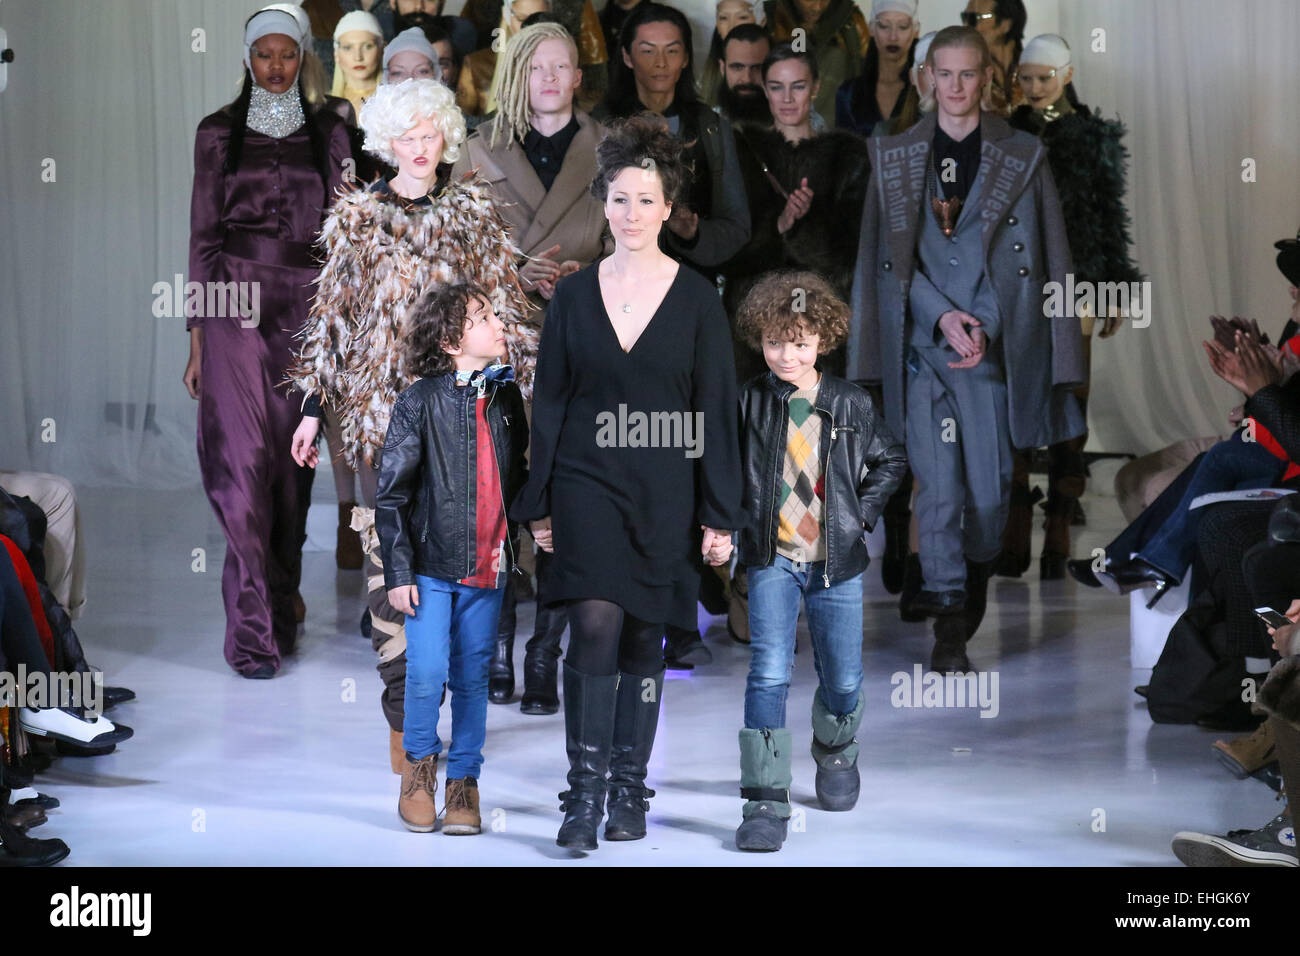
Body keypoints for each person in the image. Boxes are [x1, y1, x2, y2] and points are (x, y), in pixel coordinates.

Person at [287, 78, 537, 772]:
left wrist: (530, 396)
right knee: (389, 561)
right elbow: (331, 320)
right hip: (378, 416)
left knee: (468, 555)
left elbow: (505, 313)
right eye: (408, 135)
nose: (421, 147)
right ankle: (405, 719)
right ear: (386, 142)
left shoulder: (473, 216)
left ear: (447, 138)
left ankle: (454, 710)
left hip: (466, 414)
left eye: (432, 134)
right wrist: (312, 408)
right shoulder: (358, 218)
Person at [509, 115, 745, 849]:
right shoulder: (574, 300)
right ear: (601, 203)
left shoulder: (701, 299)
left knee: (646, 640)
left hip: (666, 488)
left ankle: (629, 792)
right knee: (594, 626)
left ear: (670, 208)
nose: (632, 214)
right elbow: (548, 405)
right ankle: (582, 797)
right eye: (619, 199)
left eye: (647, 200)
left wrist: (720, 513)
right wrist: (538, 499)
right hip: (585, 481)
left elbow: (716, 412)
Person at [847, 25, 1084, 673]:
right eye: (942, 74)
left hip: (991, 350)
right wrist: (940, 317)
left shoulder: (1024, 153)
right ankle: (951, 619)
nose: (954, 87)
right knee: (938, 489)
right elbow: (884, 262)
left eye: (967, 74)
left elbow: (1042, 257)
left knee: (987, 496)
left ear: (987, 79)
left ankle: (969, 579)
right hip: (921, 347)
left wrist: (980, 322)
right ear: (926, 78)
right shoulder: (892, 155)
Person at [184, 5, 352, 678]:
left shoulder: (332, 134)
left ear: (304, 58)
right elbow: (202, 236)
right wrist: (197, 336)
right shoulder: (216, 134)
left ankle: (281, 599)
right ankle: (250, 629)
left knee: (291, 469)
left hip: (306, 306)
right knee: (241, 466)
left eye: (287, 55)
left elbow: (344, 238)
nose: (275, 67)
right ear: (247, 60)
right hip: (232, 306)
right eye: (264, 56)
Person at [451, 22, 609, 712]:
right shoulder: (478, 150)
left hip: (583, 341)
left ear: (579, 75)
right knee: (498, 495)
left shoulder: (610, 149)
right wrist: (515, 273)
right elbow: (456, 250)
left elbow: (634, 238)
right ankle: (497, 648)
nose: (549, 78)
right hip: (499, 345)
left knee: (563, 498)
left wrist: (587, 274)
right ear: (516, 75)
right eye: (536, 66)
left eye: (562, 66)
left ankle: (545, 655)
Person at [731, 271, 906, 852]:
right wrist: (726, 528)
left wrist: (861, 516)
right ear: (760, 338)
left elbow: (890, 462)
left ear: (824, 342)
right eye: (776, 341)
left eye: (801, 342)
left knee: (844, 675)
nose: (787, 354)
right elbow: (728, 472)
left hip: (837, 562)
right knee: (769, 671)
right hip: (772, 557)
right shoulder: (749, 400)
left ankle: (835, 753)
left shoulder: (851, 402)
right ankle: (764, 796)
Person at [374, 285, 529, 834]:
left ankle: (464, 781)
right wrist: (397, 572)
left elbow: (518, 476)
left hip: (488, 569)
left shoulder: (506, 398)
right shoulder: (419, 400)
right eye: (482, 317)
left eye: (493, 313)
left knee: (471, 677)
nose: (496, 323)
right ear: (448, 340)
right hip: (430, 568)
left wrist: (539, 521)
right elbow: (391, 494)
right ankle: (418, 771)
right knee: (428, 673)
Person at [724, 42, 871, 383]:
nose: (787, 98)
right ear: (764, 89)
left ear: (816, 87)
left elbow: (852, 254)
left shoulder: (848, 156)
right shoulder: (742, 151)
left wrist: (804, 227)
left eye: (798, 86)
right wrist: (780, 225)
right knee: (754, 424)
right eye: (777, 87)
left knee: (818, 426)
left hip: (821, 329)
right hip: (750, 328)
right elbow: (727, 247)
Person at [763, 0, 869, 128]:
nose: (817, 7)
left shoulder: (852, 23)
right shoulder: (769, 22)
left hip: (838, 138)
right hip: (778, 136)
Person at [834, 0, 918, 138]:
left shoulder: (926, 90)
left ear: (915, 30)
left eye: (903, 26)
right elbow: (843, 152)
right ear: (871, 29)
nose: (893, 36)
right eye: (884, 26)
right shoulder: (848, 93)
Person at [960, 0, 1024, 115]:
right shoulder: (963, 74)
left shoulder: (1038, 66)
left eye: (974, 19)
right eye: (964, 17)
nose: (965, 25)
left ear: (1006, 24)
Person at [699, 0, 763, 108]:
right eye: (724, 18)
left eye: (742, 17)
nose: (732, 26)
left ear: (761, 21)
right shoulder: (705, 80)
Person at [714, 22, 772, 124]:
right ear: (722, 68)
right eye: (737, 67)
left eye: (757, 68)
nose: (747, 79)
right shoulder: (703, 124)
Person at [331, 9, 385, 115]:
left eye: (367, 46)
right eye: (348, 47)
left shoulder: (398, 102)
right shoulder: (323, 107)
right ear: (336, 54)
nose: (358, 57)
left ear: (382, 49)